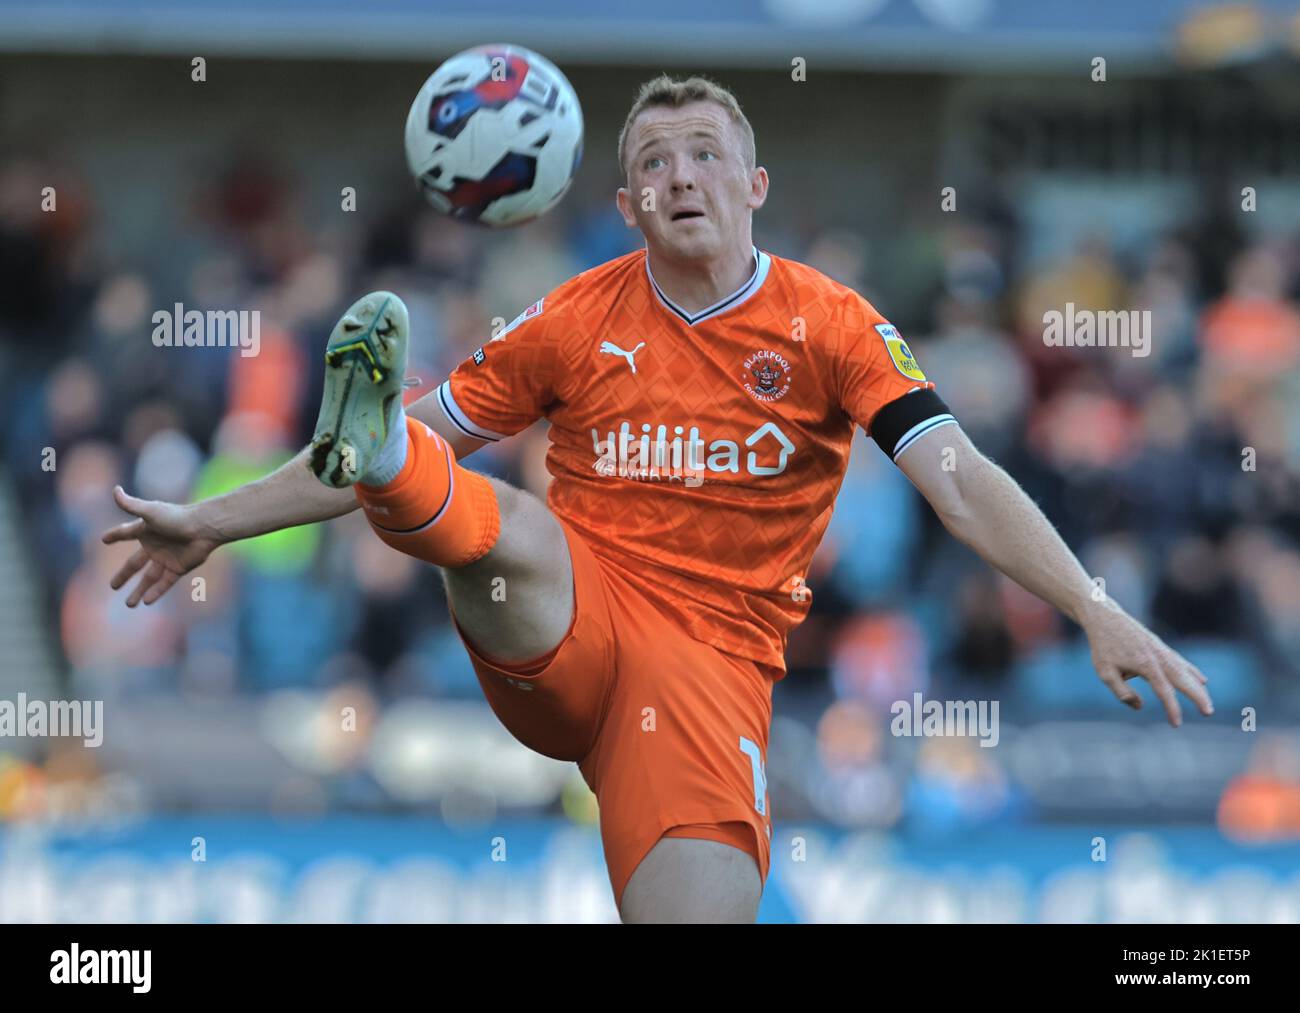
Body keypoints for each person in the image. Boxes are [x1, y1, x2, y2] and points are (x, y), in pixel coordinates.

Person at [102, 75, 1213, 924]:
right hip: (567, 622)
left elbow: (958, 478)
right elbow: (331, 461)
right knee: (507, 523)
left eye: (704, 153)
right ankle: (401, 455)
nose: (681, 174)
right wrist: (210, 519)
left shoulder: (830, 325)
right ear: (629, 203)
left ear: (752, 185)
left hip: (708, 679)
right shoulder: (571, 320)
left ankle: (402, 460)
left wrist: (1090, 602)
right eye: (655, 163)